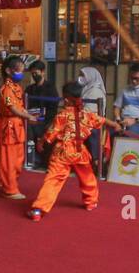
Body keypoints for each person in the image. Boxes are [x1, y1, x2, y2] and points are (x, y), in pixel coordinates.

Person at [27, 82, 122, 220]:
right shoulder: (86, 114)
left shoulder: (62, 115)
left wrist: (41, 143)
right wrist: (115, 125)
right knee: (87, 177)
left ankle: (38, 210)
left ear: (66, 99)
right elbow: (101, 120)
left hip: (62, 152)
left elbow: (51, 133)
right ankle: (91, 202)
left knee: (53, 180)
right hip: (79, 152)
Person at [0, 57, 35, 200]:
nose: (21, 74)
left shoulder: (17, 88)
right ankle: (10, 189)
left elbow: (20, 108)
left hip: (17, 127)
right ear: (8, 71)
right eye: (19, 71)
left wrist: (29, 115)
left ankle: (6, 184)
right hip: (8, 128)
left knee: (18, 160)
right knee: (8, 160)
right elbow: (12, 108)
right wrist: (28, 117)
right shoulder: (6, 89)